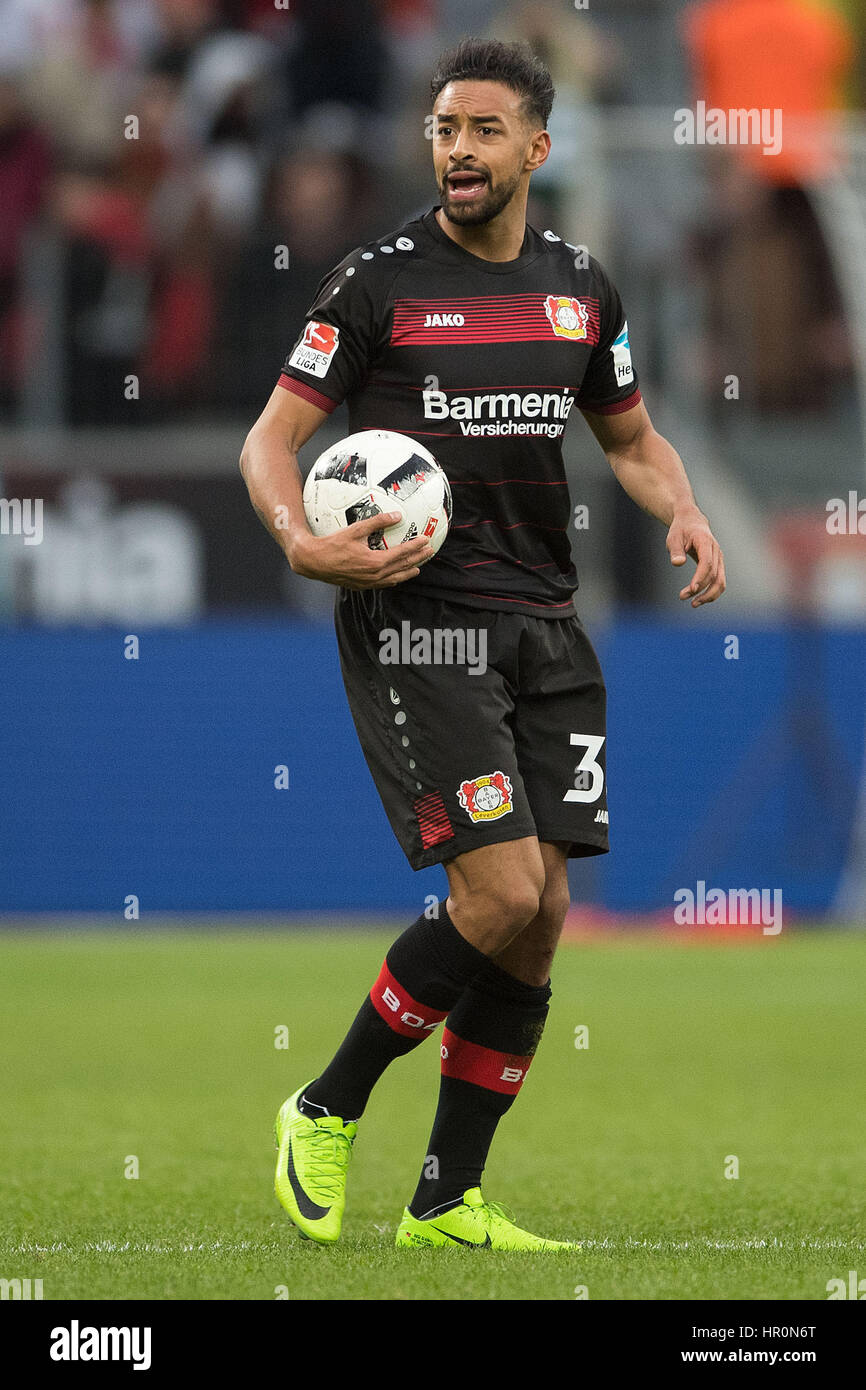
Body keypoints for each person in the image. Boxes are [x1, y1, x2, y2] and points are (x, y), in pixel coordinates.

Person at [240, 38, 726, 1252]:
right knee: (499, 887)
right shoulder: (376, 283)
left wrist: (685, 507)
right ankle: (325, 1102)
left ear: (536, 150)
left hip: (547, 625)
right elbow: (268, 441)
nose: (456, 150)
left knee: (546, 909)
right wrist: (302, 541)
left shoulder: (579, 288)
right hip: (420, 621)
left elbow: (630, 440)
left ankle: (446, 1198)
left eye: (482, 131)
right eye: (442, 130)